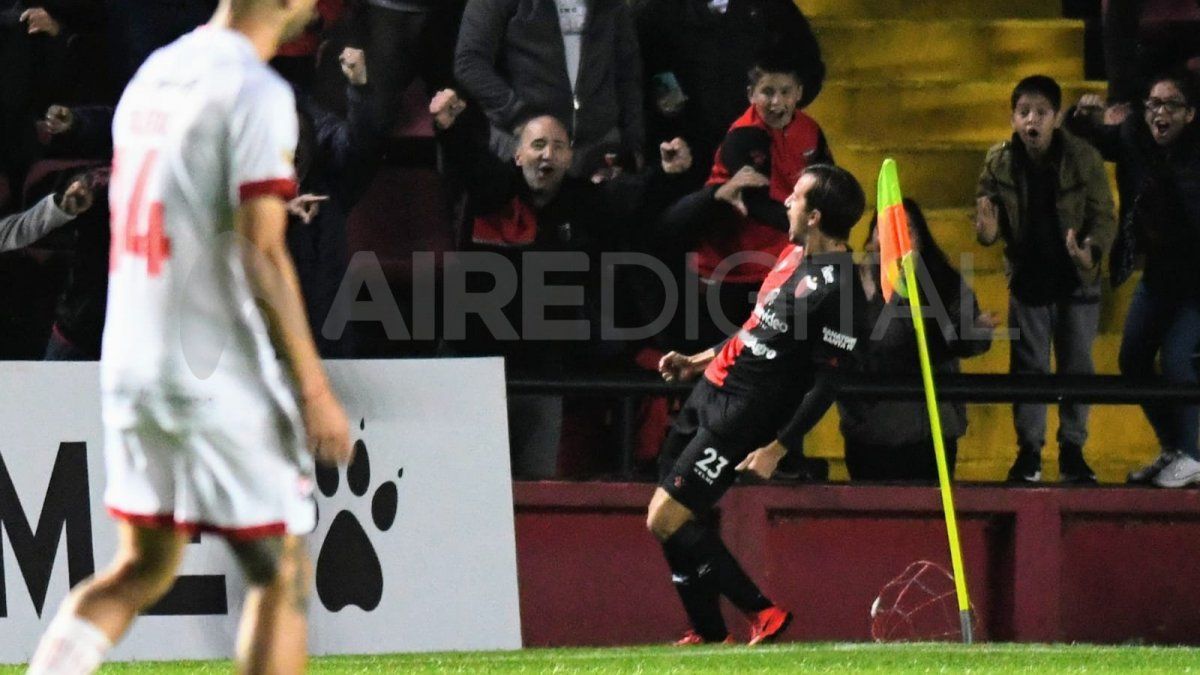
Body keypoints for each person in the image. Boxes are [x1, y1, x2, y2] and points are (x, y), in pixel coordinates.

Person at [27, 1, 353, 673]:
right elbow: (261, 252)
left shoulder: (156, 73)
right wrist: (314, 389)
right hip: (210, 367)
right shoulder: (256, 91)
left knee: (140, 568)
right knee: (280, 569)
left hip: (132, 360)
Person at [648, 163, 865, 645]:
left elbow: (828, 385)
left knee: (664, 517)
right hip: (713, 389)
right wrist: (698, 360)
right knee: (681, 517)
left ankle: (762, 612)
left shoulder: (843, 290)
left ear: (815, 215)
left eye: (797, 197)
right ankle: (708, 632)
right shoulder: (792, 254)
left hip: (743, 413)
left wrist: (778, 448)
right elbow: (757, 327)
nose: (786, 202)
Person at [431, 88, 693, 478]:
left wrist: (667, 176)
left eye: (557, 146)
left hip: (543, 373)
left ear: (570, 158)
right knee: (465, 479)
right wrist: (452, 129)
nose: (547, 154)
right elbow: (470, 161)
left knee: (535, 485)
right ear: (518, 155)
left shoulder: (583, 203)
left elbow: (631, 203)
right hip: (472, 367)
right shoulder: (491, 192)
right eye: (537, 145)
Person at [975, 75, 1116, 485]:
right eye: (1023, 113)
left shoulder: (1083, 157)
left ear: (1056, 117)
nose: (1031, 121)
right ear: (1014, 117)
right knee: (1029, 369)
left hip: (1076, 276)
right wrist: (985, 230)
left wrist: (1088, 250)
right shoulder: (998, 161)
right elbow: (987, 229)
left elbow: (1103, 215)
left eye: (1040, 113)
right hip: (1029, 277)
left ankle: (1073, 450)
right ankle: (1029, 454)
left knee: (1077, 367)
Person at [1066, 71, 1200, 487]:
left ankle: (1195, 455)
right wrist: (1081, 113)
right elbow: (1084, 136)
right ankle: (1175, 448)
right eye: (1153, 104)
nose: (1159, 112)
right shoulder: (1132, 138)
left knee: (1178, 360)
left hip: (1197, 281)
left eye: (1170, 105)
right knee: (1133, 360)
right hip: (1159, 275)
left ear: (1190, 114)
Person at [658, 50, 833, 352]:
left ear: (799, 94)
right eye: (767, 92)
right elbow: (755, 204)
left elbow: (828, 179)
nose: (776, 102)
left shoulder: (810, 131)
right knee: (724, 361)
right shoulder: (743, 137)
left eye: (785, 92)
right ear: (751, 94)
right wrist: (808, 228)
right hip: (728, 272)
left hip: (776, 267)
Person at [839, 198, 995, 482]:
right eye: (886, 229)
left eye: (907, 229)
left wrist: (975, 334)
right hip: (874, 436)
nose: (897, 237)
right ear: (872, 238)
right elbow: (866, 348)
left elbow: (966, 338)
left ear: (921, 239)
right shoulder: (852, 285)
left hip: (935, 435)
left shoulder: (945, 282)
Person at [634, 0, 824, 177]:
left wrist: (776, 116)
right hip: (683, 161)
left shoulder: (771, 9)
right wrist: (665, 139)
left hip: (758, 158)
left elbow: (809, 69)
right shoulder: (653, 12)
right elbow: (634, 87)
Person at [454, 0, 644, 173]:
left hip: (597, 149)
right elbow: (470, 62)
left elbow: (628, 73)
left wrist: (634, 144)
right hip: (522, 146)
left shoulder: (613, 6)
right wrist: (521, 116)